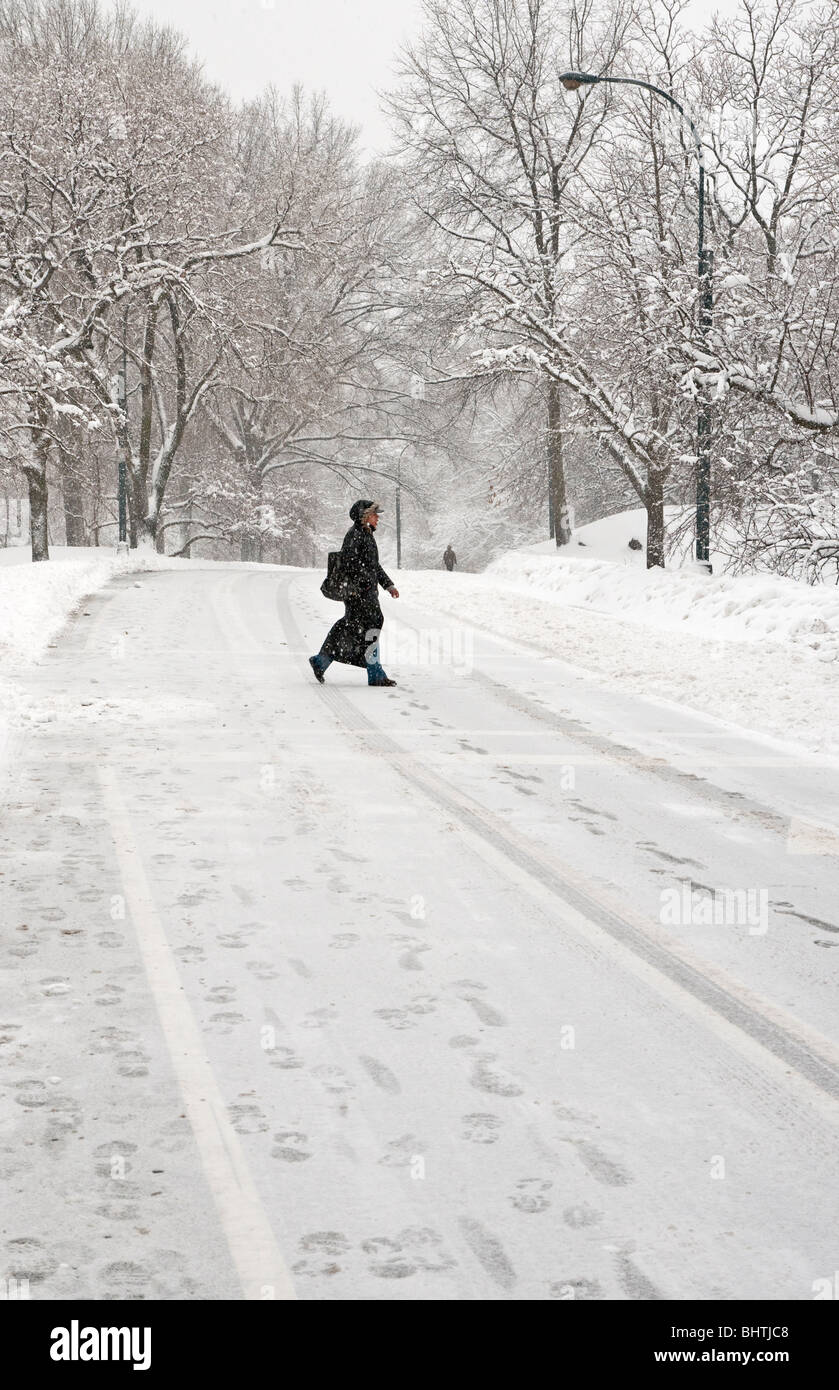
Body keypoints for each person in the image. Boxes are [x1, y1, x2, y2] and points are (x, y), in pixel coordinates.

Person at [310, 500, 399, 687]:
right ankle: (374, 673)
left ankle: (321, 661)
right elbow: (350, 564)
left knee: (353, 627)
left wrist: (388, 585)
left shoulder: (365, 535)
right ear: (365, 516)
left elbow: (373, 566)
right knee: (369, 624)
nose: (378, 519)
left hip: (364, 592)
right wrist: (363, 585)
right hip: (359, 593)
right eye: (375, 515)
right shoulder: (355, 535)